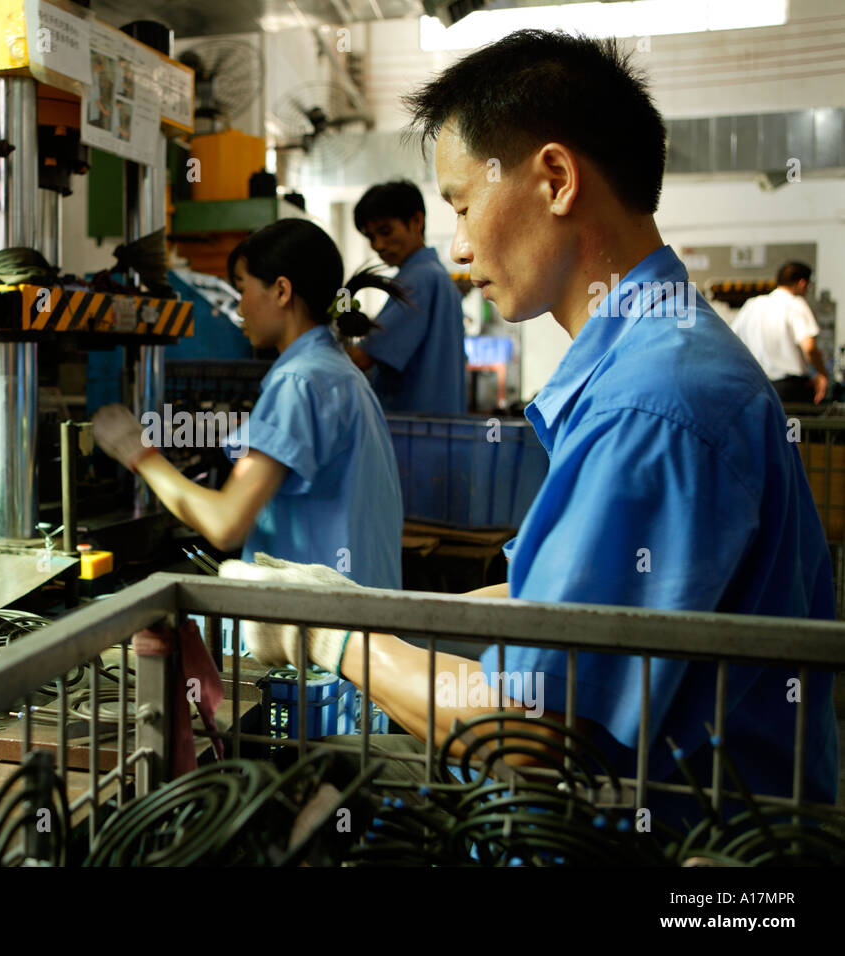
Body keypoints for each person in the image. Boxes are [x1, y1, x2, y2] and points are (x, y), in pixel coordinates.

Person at [222, 29, 838, 830]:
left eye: (462, 205)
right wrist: (371, 610)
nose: (459, 246)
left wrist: (329, 641)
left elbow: (527, 732)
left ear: (555, 179)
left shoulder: (652, 405)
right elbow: (546, 601)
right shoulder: (653, 360)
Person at [91, 218, 404, 589]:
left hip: (320, 618)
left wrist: (135, 450)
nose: (240, 309)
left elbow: (225, 524)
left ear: (281, 291)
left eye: (243, 290)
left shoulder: (297, 382)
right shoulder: (339, 373)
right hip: (361, 612)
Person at [347, 180, 467, 414]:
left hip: (413, 427)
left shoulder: (419, 279)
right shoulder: (437, 276)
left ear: (416, 221)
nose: (378, 245)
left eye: (385, 231)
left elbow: (362, 358)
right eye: (371, 237)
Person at [731, 261, 828, 405]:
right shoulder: (795, 304)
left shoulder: (752, 305)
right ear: (802, 283)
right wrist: (822, 374)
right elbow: (809, 348)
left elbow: (730, 342)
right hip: (789, 390)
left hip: (753, 388)